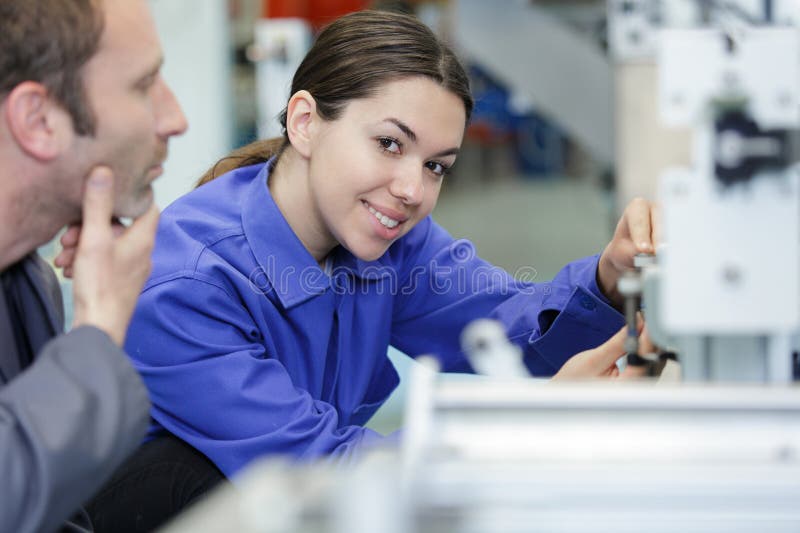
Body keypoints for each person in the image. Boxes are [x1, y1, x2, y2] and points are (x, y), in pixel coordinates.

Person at [122, 8, 653, 491]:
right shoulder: (182, 289)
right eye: (390, 144)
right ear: (305, 123)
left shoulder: (389, 240)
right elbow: (316, 468)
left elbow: (502, 326)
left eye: (435, 165)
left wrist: (609, 277)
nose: (413, 190)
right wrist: (531, 432)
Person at [0, 0, 187, 531]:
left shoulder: (29, 279)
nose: (175, 118)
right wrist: (100, 328)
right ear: (39, 120)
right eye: (143, 84)